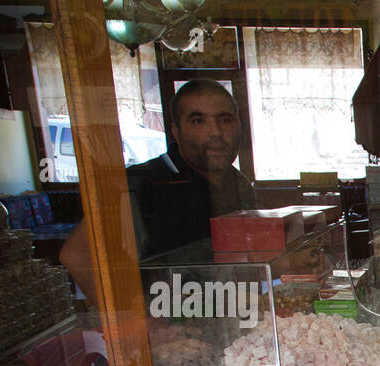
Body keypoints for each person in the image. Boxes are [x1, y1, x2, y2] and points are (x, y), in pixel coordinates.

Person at [60, 78, 256, 306]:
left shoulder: (239, 184)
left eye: (225, 119)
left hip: (226, 320)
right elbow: (77, 255)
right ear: (176, 131)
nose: (215, 132)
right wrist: (139, 323)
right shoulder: (145, 183)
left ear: (239, 126)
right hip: (166, 333)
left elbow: (236, 264)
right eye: (198, 120)